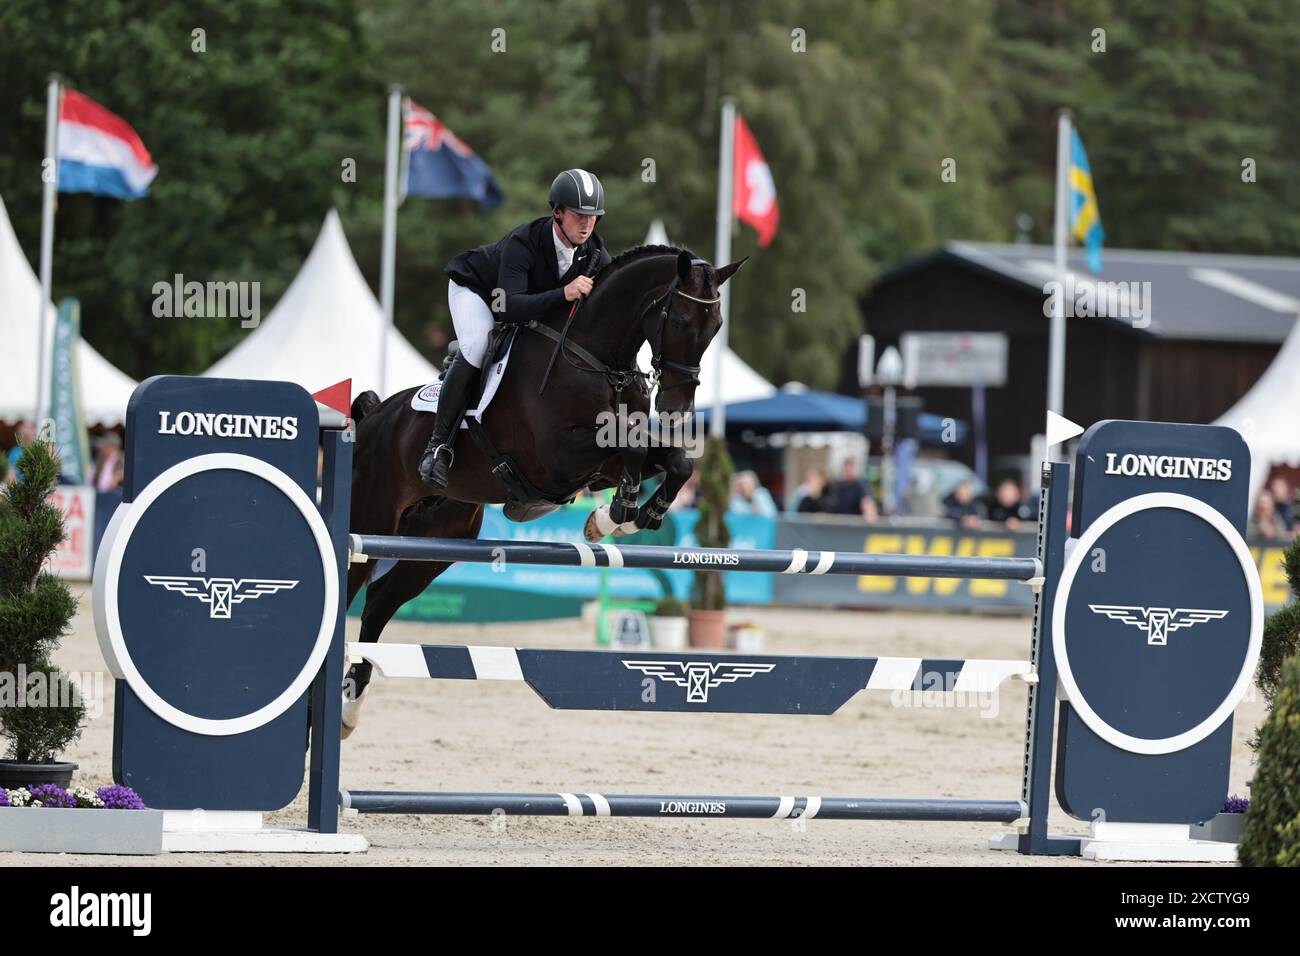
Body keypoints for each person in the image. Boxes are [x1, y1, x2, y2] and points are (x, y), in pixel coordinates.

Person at [419, 168, 612, 488]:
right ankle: (438, 448)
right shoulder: (525, 243)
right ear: (557, 213)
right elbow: (507, 307)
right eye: (579, 215)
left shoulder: (594, 253)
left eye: (593, 217)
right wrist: (564, 293)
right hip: (477, 291)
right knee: (479, 345)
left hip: (517, 303)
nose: (587, 224)